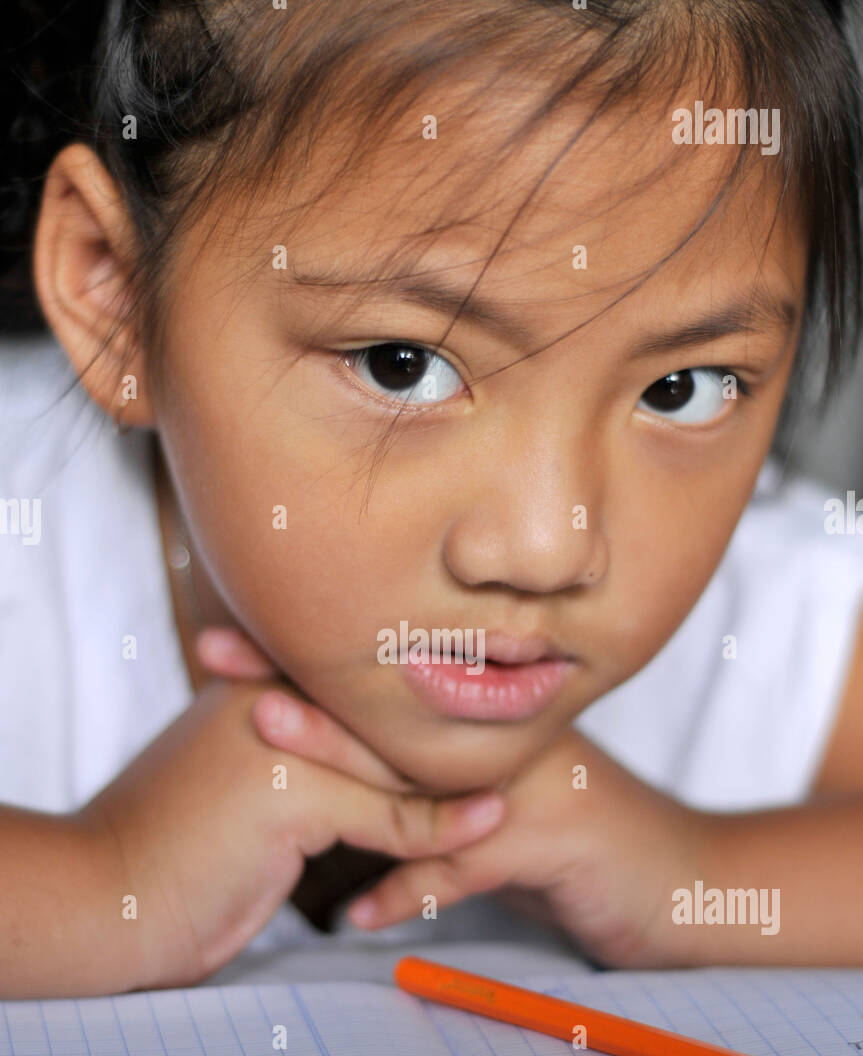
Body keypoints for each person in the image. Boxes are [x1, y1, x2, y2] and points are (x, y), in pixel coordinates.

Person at [2, 0, 862, 998]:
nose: (545, 548)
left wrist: (697, 875)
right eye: (402, 366)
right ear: (115, 293)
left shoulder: (778, 604)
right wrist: (105, 877)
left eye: (683, 388)